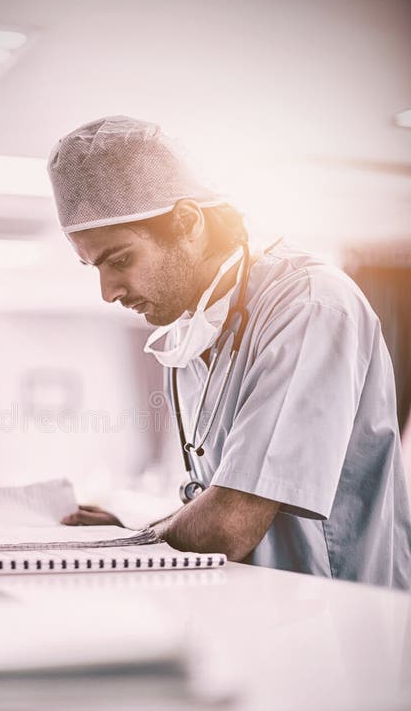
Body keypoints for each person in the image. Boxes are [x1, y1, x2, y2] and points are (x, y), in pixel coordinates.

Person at [47, 115, 411, 588]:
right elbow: (210, 507)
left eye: (120, 260)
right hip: (258, 613)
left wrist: (134, 543)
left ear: (188, 222)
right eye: (92, 267)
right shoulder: (190, 333)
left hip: (341, 616)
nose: (108, 291)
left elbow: (228, 526)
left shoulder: (308, 306)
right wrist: (135, 530)